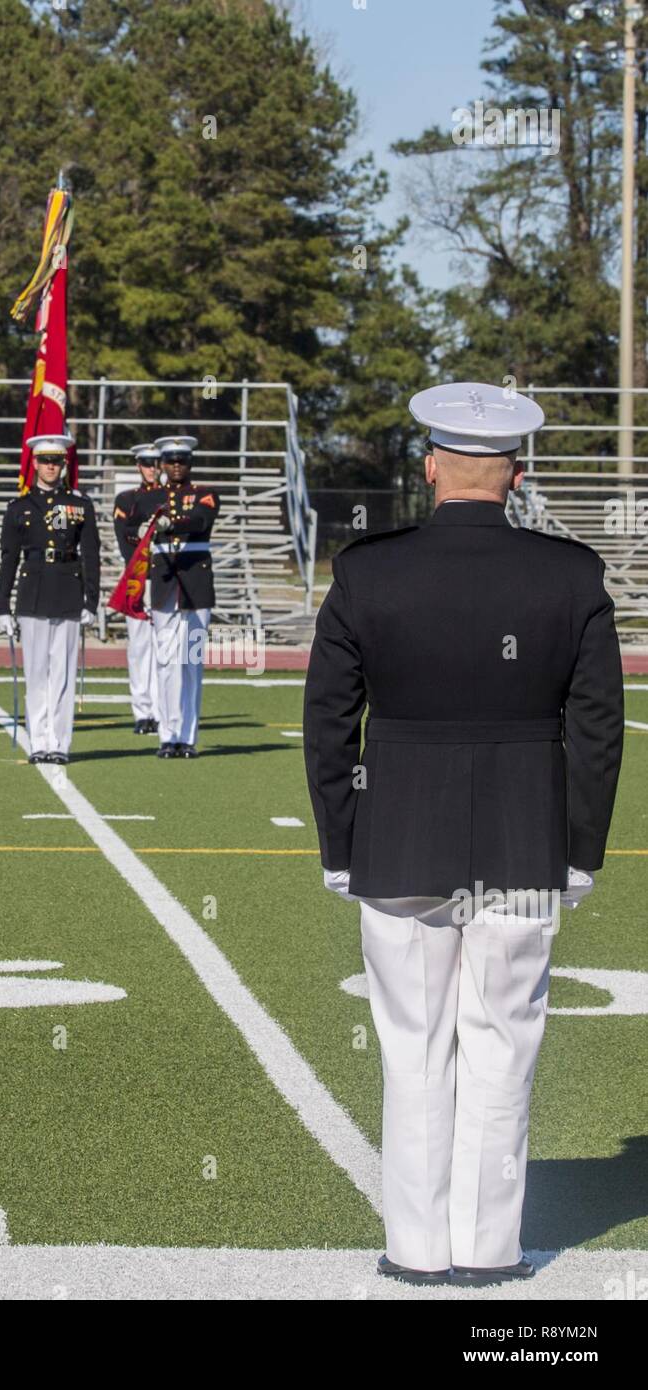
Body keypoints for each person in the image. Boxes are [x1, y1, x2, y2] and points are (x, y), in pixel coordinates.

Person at [303, 381, 624, 1289]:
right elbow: (597, 729)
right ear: (515, 476)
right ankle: (488, 1250)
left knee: (413, 1048)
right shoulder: (571, 574)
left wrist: (340, 844)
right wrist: (579, 850)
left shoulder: (370, 569)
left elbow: (329, 720)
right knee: (503, 1045)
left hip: (400, 840)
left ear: (432, 465)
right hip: (525, 845)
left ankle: (414, 1247)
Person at [0, 433, 99, 765]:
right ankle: (38, 741)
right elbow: (10, 558)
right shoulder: (19, 507)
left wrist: (91, 600)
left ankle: (60, 743)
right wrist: (2, 606)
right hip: (33, 592)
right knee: (37, 673)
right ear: (34, 464)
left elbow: (92, 555)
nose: (50, 467)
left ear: (64, 465)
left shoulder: (80, 505)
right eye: (44, 461)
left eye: (56, 461)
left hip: (69, 588)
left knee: (63, 674)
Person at [126, 435, 219, 758]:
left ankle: (187, 736)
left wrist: (169, 523)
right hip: (165, 583)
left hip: (195, 585)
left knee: (191, 662)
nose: (177, 466)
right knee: (165, 661)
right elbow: (131, 524)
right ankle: (168, 734)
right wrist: (139, 531)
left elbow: (201, 520)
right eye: (171, 461)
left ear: (189, 464)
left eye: (183, 461)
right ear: (162, 464)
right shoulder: (151, 499)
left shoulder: (203, 495)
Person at [113, 443, 162, 734]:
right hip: (138, 577)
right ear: (138, 466)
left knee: (165, 647)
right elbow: (122, 538)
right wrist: (137, 536)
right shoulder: (127, 499)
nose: (151, 468)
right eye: (146, 463)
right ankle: (143, 710)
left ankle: (161, 708)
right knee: (140, 646)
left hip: (165, 577)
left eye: (156, 463)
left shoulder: (171, 498)